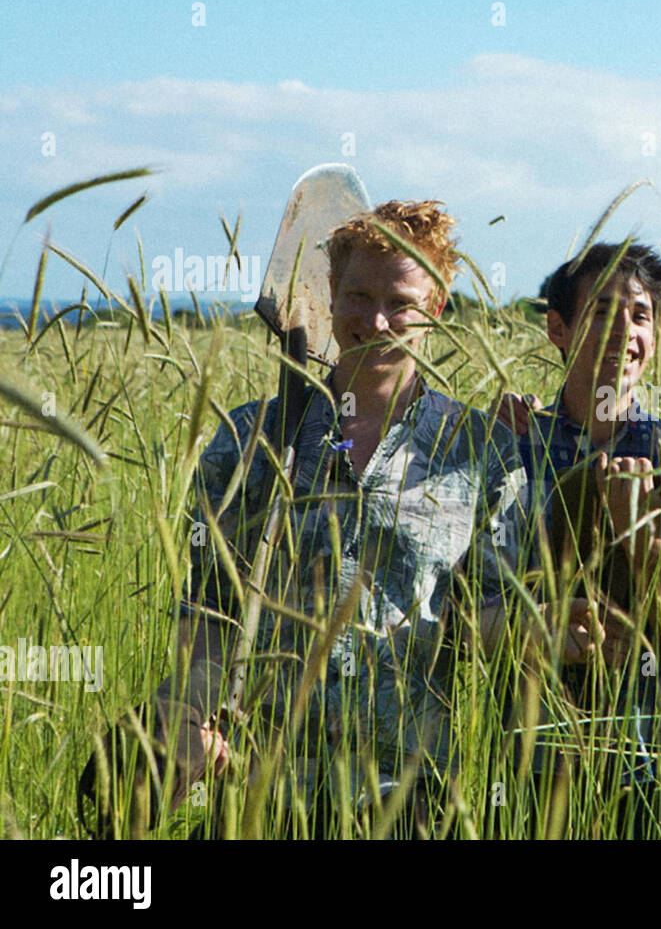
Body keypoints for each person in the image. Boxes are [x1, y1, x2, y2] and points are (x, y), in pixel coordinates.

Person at [80, 200, 527, 839]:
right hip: (260, 794)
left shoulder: (480, 450)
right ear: (327, 296)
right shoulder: (254, 436)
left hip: (410, 800)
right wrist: (188, 721)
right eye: (358, 295)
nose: (375, 320)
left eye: (400, 302)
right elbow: (210, 609)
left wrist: (560, 625)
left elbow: (490, 620)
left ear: (437, 310)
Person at [496, 241, 661, 837]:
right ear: (558, 328)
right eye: (600, 311)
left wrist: (643, 537)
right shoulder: (506, 450)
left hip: (655, 775)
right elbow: (467, 614)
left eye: (641, 314)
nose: (623, 330)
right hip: (527, 773)